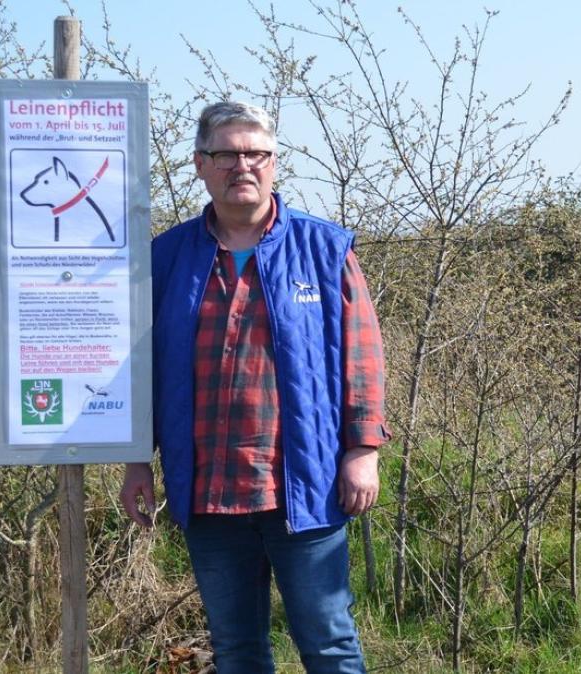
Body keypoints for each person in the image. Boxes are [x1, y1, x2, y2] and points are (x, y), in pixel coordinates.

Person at [120, 101, 390, 673]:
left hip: (306, 486)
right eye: (227, 153)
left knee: (329, 643)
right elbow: (139, 364)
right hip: (209, 491)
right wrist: (135, 459)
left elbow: (363, 357)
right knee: (238, 649)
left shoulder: (324, 250)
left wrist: (363, 450)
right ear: (200, 164)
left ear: (273, 163)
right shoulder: (166, 257)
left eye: (255, 153)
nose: (242, 164)